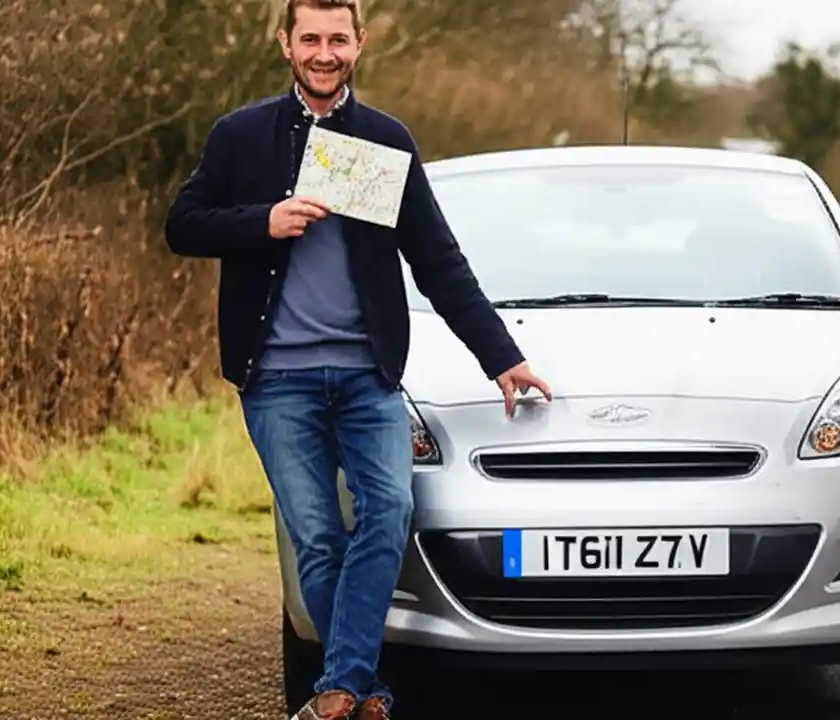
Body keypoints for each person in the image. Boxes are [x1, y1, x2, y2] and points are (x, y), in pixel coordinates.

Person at [163, 1, 552, 718]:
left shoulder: (381, 141)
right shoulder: (241, 136)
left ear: (359, 44)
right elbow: (181, 226)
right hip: (275, 378)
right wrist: (263, 222)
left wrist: (502, 358)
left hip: (368, 374)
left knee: (389, 511)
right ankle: (356, 691)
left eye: (337, 38)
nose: (324, 52)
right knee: (315, 534)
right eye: (310, 38)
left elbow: (439, 261)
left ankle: (340, 690)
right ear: (285, 44)